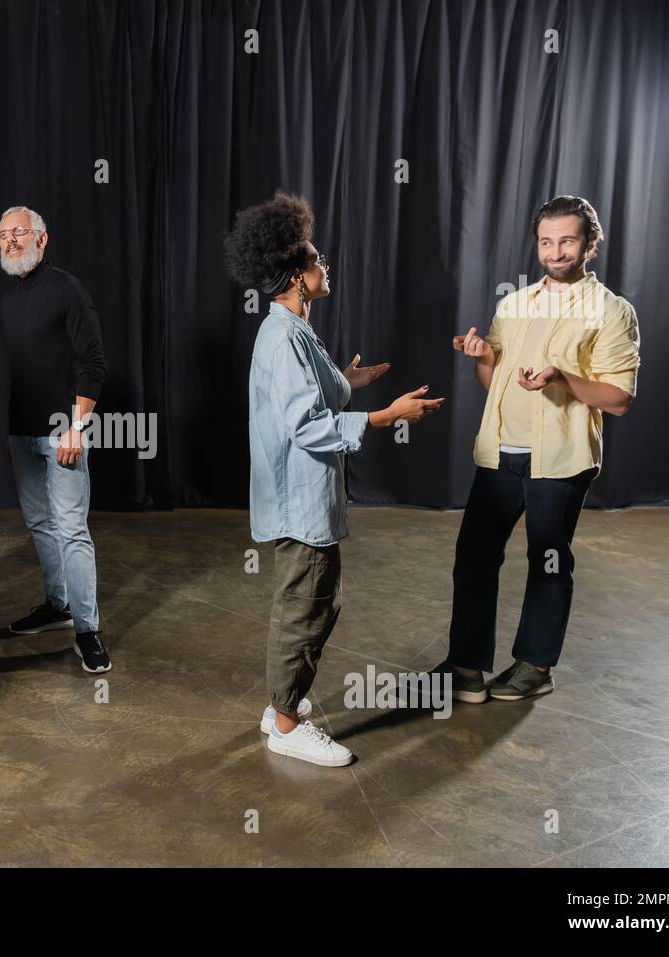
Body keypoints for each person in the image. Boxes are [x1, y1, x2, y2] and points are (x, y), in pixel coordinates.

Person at [224, 190, 445, 768]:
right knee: (306, 606)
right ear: (298, 276)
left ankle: (280, 709)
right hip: (302, 500)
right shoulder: (282, 336)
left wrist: (348, 378)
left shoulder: (294, 330)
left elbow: (310, 395)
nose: (326, 268)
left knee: (309, 600)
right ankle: (288, 722)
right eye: (317, 261)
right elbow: (305, 425)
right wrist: (387, 416)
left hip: (308, 496)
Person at [443, 195, 640, 701]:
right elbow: (494, 382)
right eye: (546, 241)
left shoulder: (612, 311)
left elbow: (617, 398)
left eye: (567, 240)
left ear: (589, 244)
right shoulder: (513, 303)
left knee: (548, 560)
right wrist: (484, 356)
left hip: (560, 458)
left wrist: (563, 378)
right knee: (474, 556)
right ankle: (465, 669)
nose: (555, 252)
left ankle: (535, 666)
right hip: (501, 451)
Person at [0, 206, 112, 673]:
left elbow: (94, 361)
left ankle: (87, 629)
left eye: (19, 233)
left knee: (72, 531)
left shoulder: (67, 288)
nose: (9, 241)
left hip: (63, 433)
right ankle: (57, 604)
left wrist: (77, 425)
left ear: (42, 239)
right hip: (21, 433)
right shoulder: (7, 299)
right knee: (41, 525)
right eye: (2, 235)